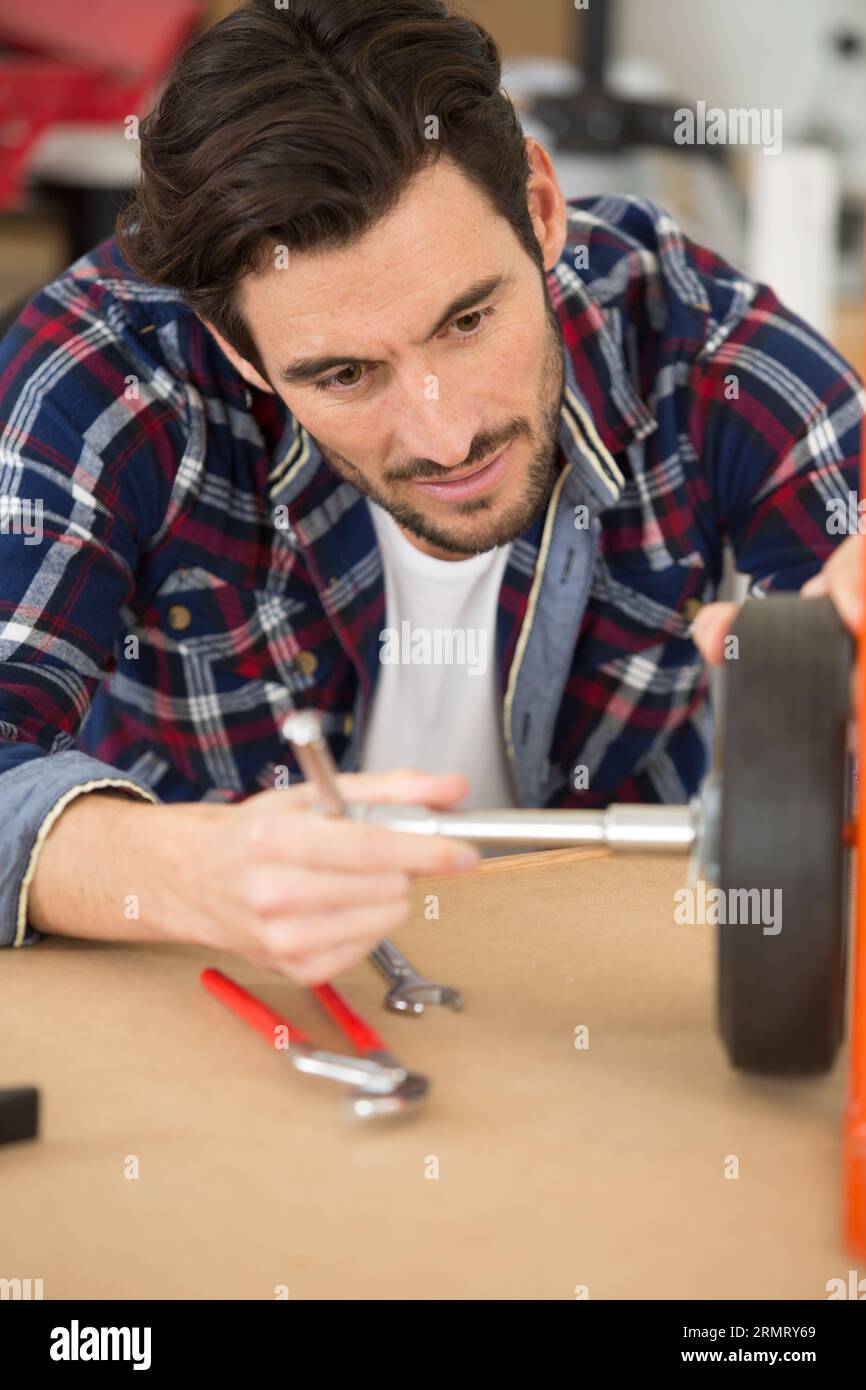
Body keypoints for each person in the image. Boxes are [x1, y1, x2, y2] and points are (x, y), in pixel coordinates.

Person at [0, 0, 863, 981]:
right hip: (225, 997)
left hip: (601, 984)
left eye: (467, 320)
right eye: (344, 375)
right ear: (240, 349)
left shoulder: (692, 342)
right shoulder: (104, 380)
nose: (447, 433)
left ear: (540, 211)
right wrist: (169, 867)